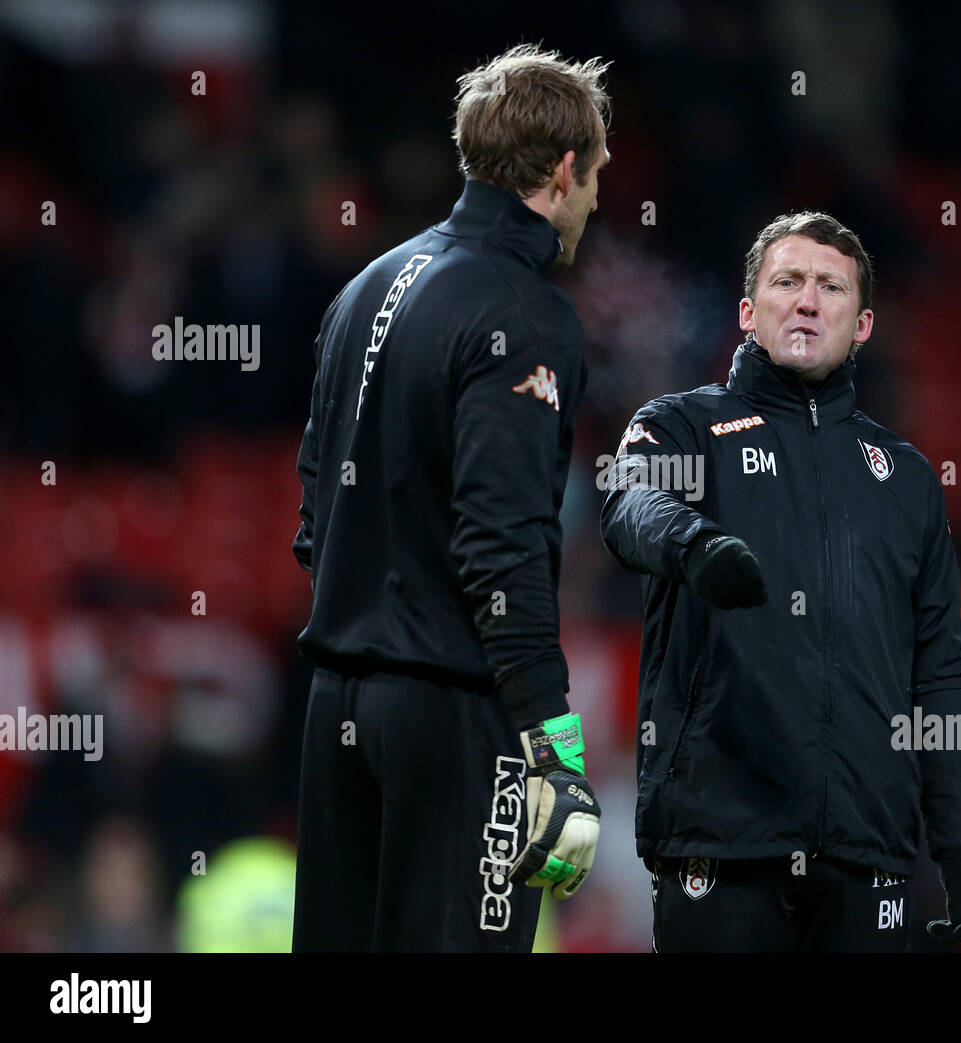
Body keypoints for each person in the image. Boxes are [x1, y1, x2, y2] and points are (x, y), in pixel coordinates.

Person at [600, 211, 961, 952]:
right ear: (750, 312)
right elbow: (629, 507)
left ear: (864, 323)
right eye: (788, 282)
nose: (809, 300)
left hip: (869, 850)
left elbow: (940, 668)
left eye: (831, 287)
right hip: (721, 838)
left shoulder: (907, 479)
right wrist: (696, 545)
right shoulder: (682, 426)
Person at [290, 44, 610, 952]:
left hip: (337, 709)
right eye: (595, 175)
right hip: (455, 720)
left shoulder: (364, 287)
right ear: (561, 169)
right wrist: (552, 737)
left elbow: (315, 513)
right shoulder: (525, 311)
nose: (596, 197)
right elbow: (500, 537)